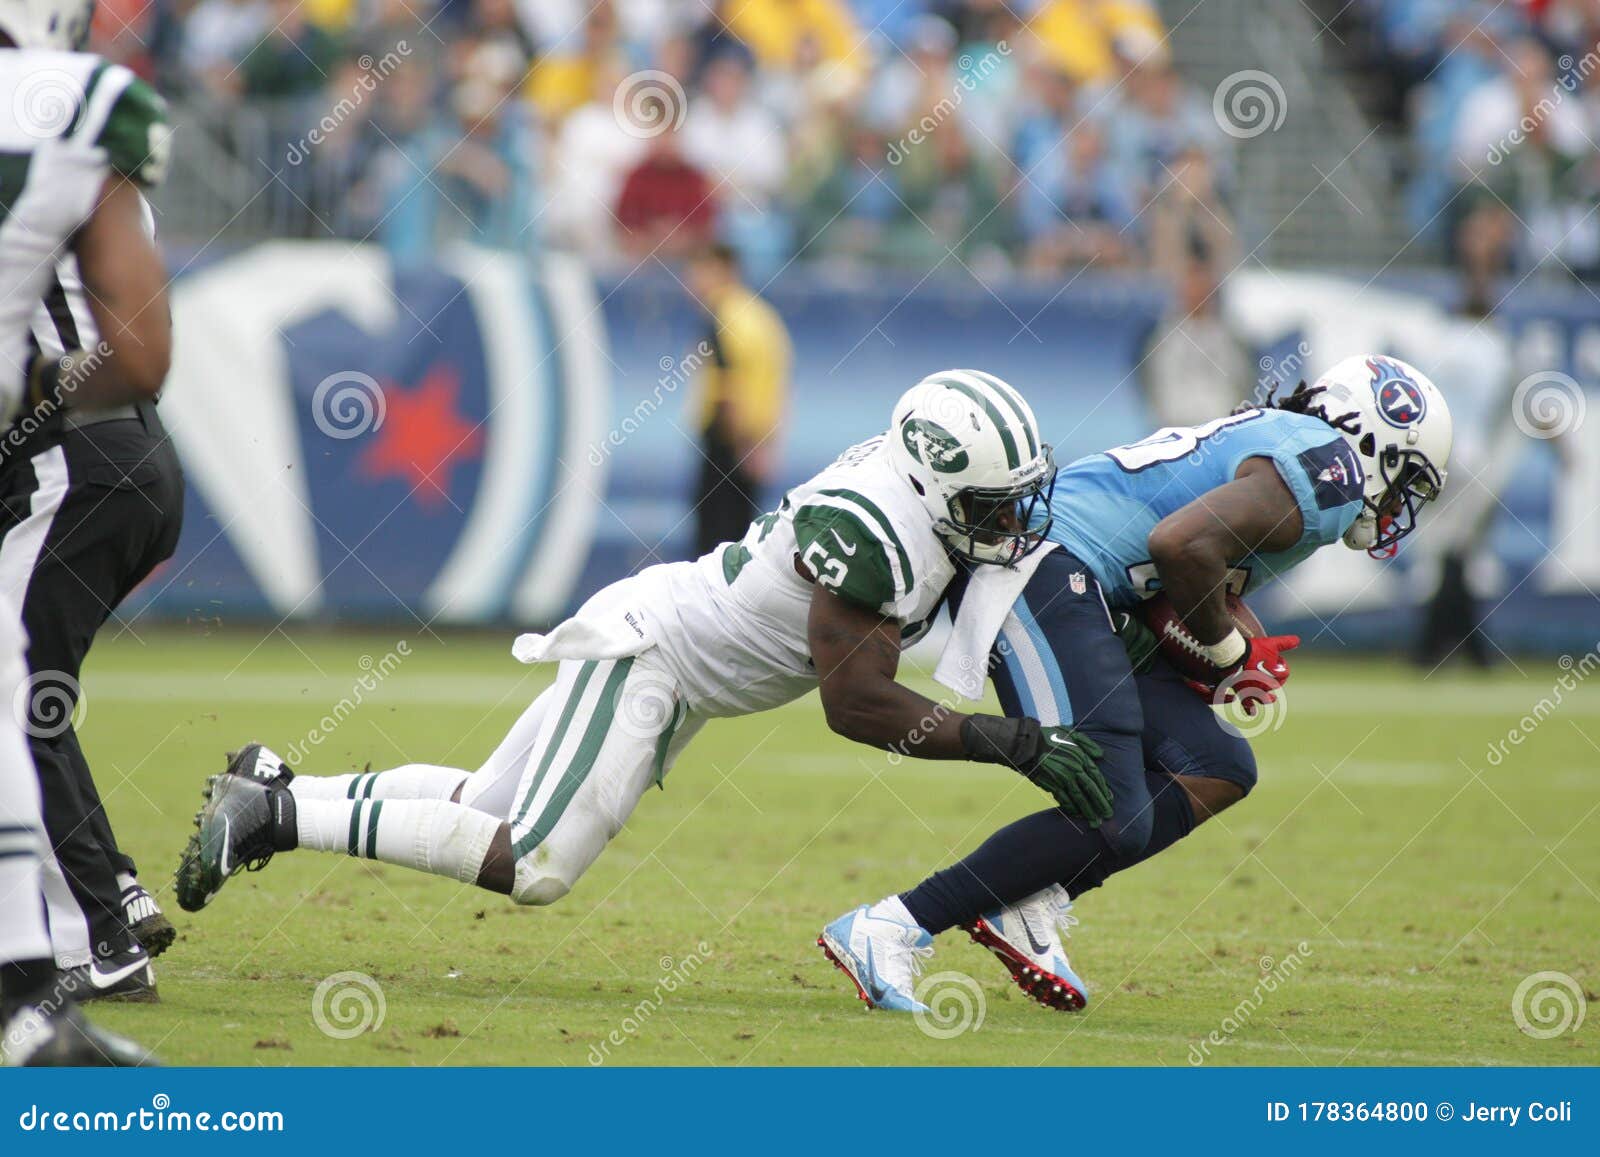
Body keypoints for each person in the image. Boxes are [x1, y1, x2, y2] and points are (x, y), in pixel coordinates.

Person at [176, 373, 1116, 956]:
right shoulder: (872, 531)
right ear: (927, 483)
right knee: (533, 860)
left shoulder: (920, 502)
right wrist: (1010, 742)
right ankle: (275, 814)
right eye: (991, 503)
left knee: (480, 811)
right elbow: (858, 704)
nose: (1008, 521)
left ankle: (277, 787)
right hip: (654, 654)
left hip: (682, 658)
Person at [819, 355, 1454, 1013]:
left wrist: (1214, 649)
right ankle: (892, 924)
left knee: (1218, 764)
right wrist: (1231, 649)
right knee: (1115, 811)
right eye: (1409, 476)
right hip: (1041, 569)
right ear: (1381, 442)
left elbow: (1169, 578)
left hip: (1089, 588)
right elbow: (1182, 545)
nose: (1403, 499)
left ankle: (1032, 897)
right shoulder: (1331, 472)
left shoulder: (1284, 441)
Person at [1, 0, 173, 1064]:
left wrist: (20, 404)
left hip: (75, 454)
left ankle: (82, 938)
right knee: (30, 688)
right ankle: (95, 915)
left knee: (21, 695)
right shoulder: (87, 122)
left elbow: (127, 353)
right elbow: (145, 346)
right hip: (126, 449)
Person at [685, 242, 791, 558]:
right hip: (753, 443)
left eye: (699, 271)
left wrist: (740, 443)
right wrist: (766, 444)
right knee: (740, 540)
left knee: (713, 540)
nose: (692, 281)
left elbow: (729, 385)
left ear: (723, 271)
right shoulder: (761, 316)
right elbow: (779, 383)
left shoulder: (723, 317)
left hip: (728, 444)